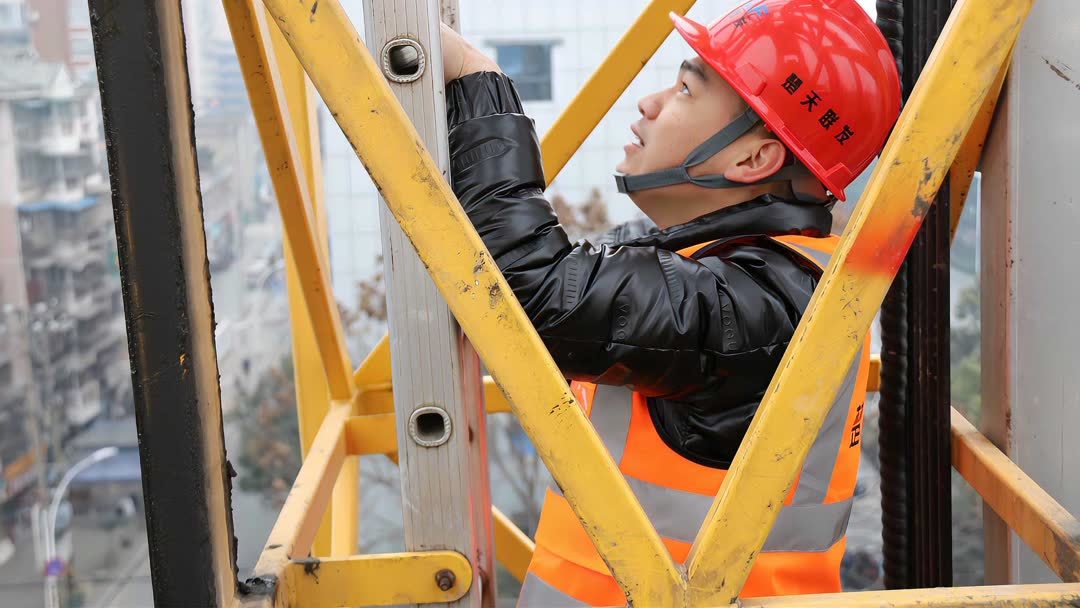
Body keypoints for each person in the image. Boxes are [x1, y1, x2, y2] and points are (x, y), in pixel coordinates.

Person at [439, 0, 900, 604]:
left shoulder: (761, 303)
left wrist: (478, 84)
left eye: (685, 89)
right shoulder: (747, 276)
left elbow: (530, 293)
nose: (650, 104)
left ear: (753, 158)